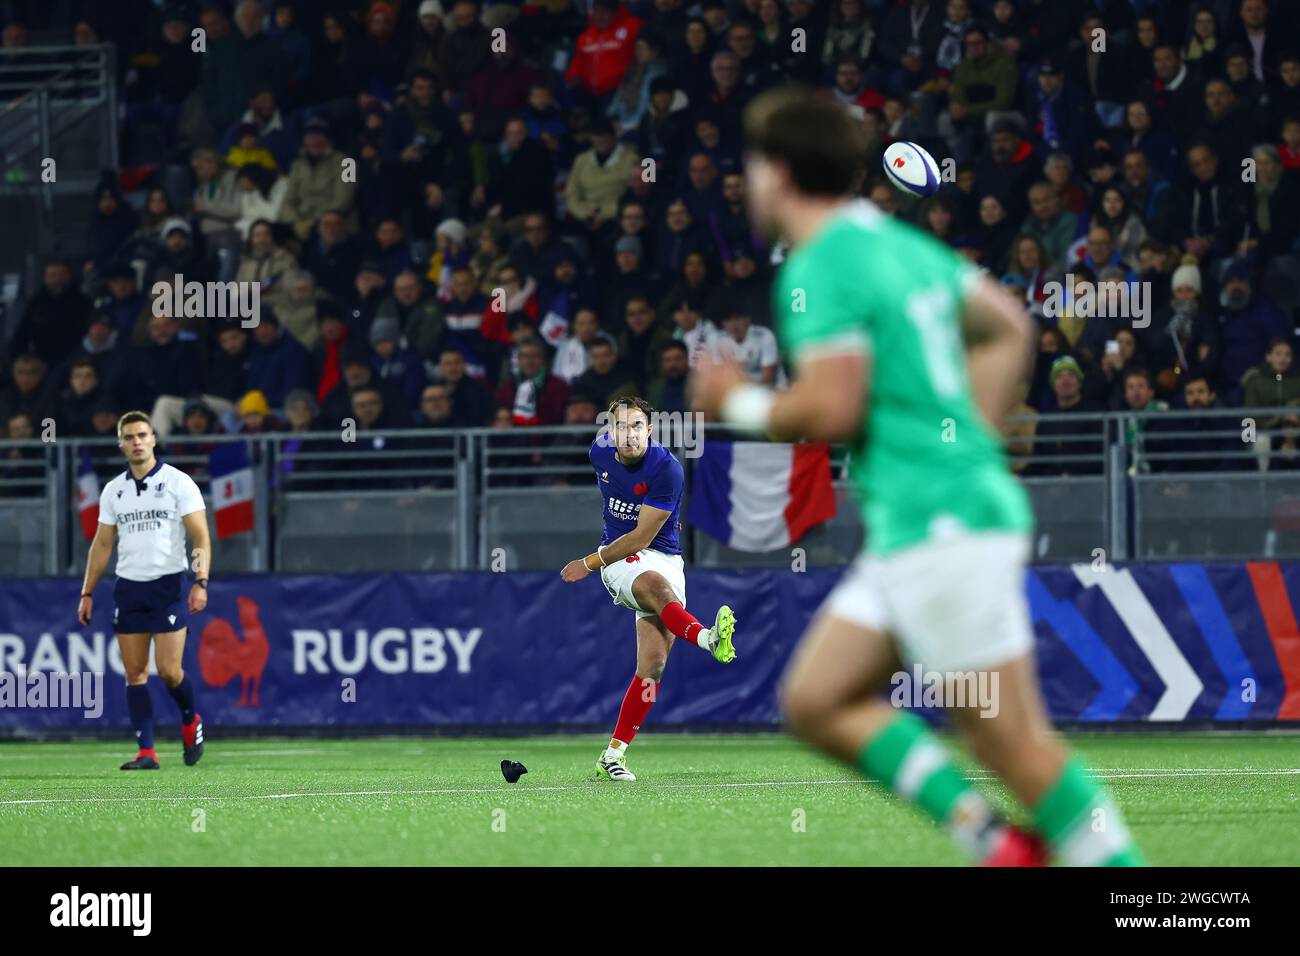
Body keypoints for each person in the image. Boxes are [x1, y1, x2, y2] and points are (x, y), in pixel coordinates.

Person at [693, 87, 1142, 866]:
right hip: (928, 516)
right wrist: (967, 430)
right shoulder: (893, 244)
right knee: (817, 699)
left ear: (780, 172)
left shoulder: (821, 262)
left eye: (754, 164)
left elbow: (832, 409)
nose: (749, 182)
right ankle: (994, 843)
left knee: (1017, 749)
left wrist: (739, 400)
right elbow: (1007, 324)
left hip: (940, 521)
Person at [559, 397, 736, 781]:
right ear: (610, 431)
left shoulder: (667, 470)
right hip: (615, 557)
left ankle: (613, 755)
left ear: (650, 430)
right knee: (654, 587)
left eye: (637, 426)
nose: (630, 434)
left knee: (652, 669)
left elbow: (642, 537)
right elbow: (628, 544)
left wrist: (584, 564)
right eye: (621, 426)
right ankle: (708, 640)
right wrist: (598, 561)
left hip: (660, 554)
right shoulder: (599, 454)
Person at [77, 411, 210, 771]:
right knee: (135, 672)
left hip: (167, 584)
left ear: (154, 439)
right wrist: (87, 591)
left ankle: (189, 718)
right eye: (129, 437)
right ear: (121, 444)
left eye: (142, 435)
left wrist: (200, 581)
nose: (136, 441)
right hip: (129, 587)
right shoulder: (114, 490)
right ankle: (147, 752)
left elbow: (199, 535)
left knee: (168, 671)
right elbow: (102, 544)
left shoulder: (178, 482)